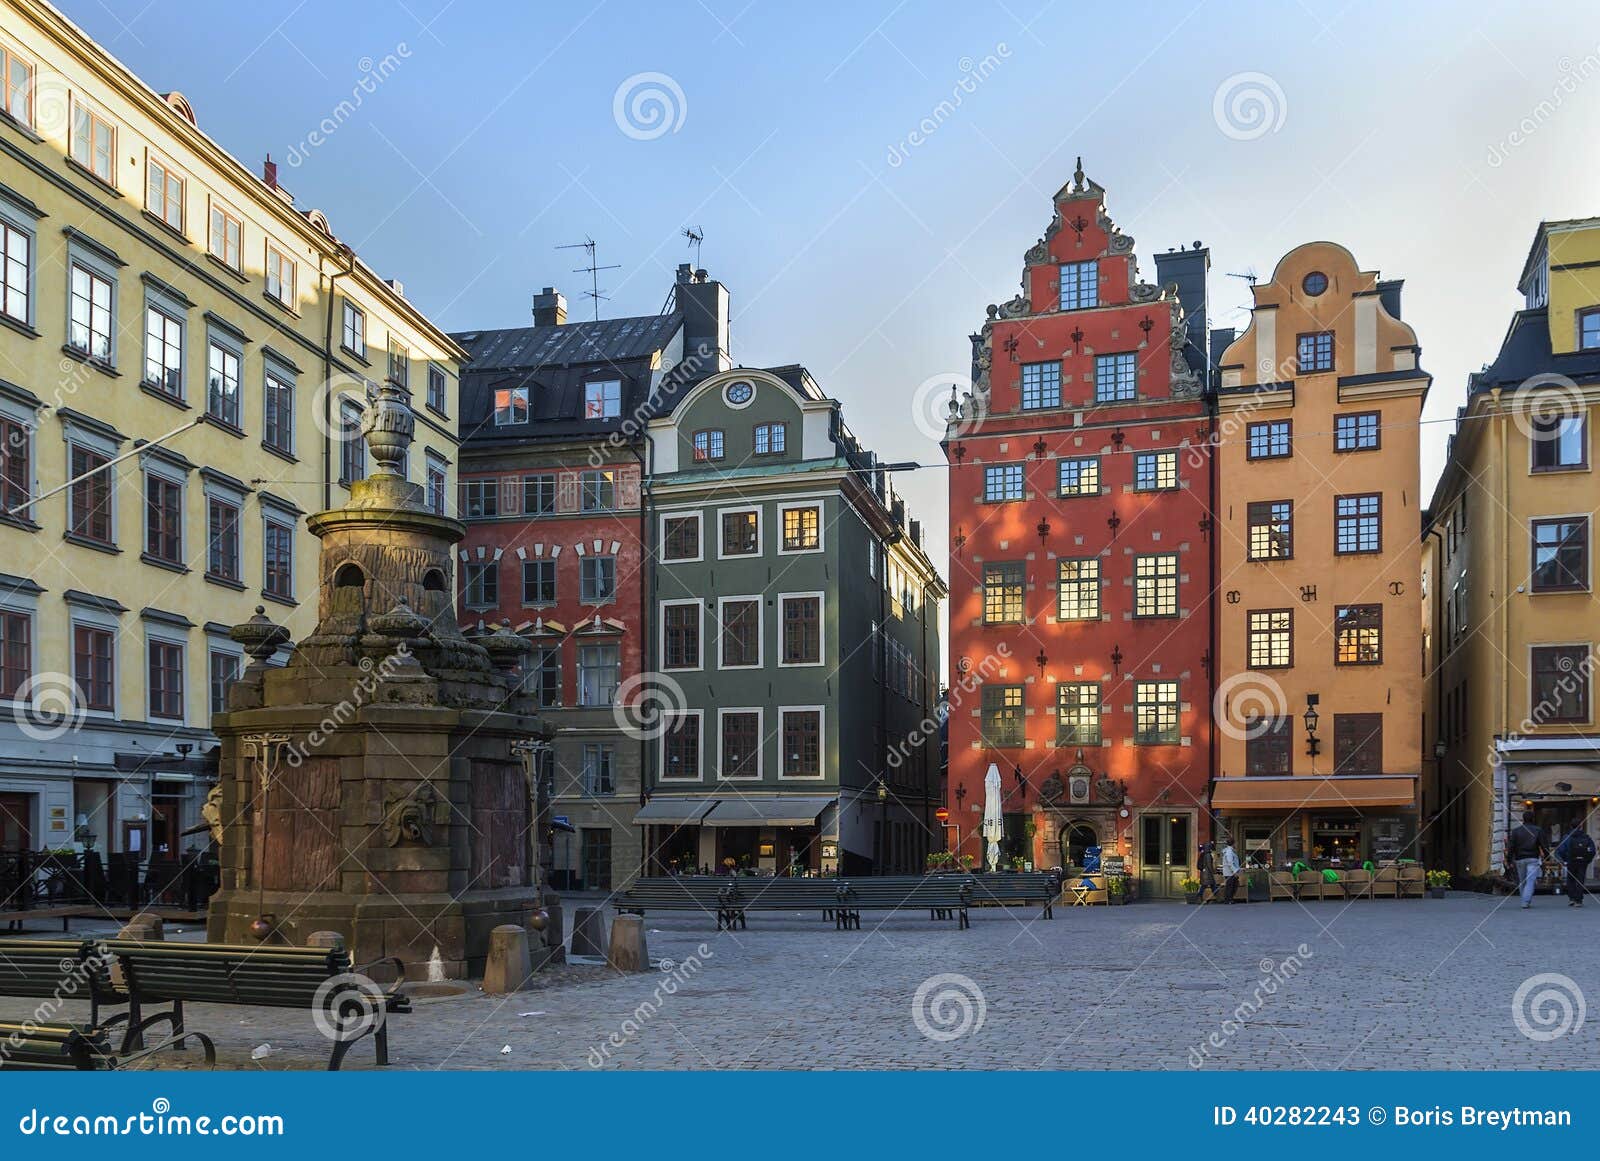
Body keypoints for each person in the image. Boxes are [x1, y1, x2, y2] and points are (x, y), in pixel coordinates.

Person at [1507, 811, 1547, 909]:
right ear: (1533, 819)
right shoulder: (1538, 830)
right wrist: (1546, 856)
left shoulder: (1516, 831)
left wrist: (1509, 859)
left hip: (1520, 859)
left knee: (1522, 881)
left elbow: (1511, 847)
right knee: (1530, 880)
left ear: (1523, 819)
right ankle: (1526, 901)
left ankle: (1524, 900)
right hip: (1533, 858)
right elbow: (1544, 845)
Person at [1555, 825, 1596, 907]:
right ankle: (1579, 900)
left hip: (1570, 862)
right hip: (1582, 862)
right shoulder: (1586, 837)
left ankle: (1572, 899)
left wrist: (1562, 861)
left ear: (1571, 827)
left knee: (1570, 880)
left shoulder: (1567, 837)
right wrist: (1588, 860)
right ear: (1580, 827)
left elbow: (1560, 850)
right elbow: (1592, 850)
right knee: (1580, 881)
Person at [1219, 839, 1242, 904]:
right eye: (1236, 843)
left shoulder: (1230, 851)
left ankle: (1229, 899)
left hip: (1230, 872)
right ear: (1233, 844)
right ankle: (1228, 900)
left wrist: (1238, 869)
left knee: (1233, 885)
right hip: (1230, 873)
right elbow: (1230, 863)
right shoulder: (1229, 851)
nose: (1236, 845)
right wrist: (1234, 872)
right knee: (1230, 886)